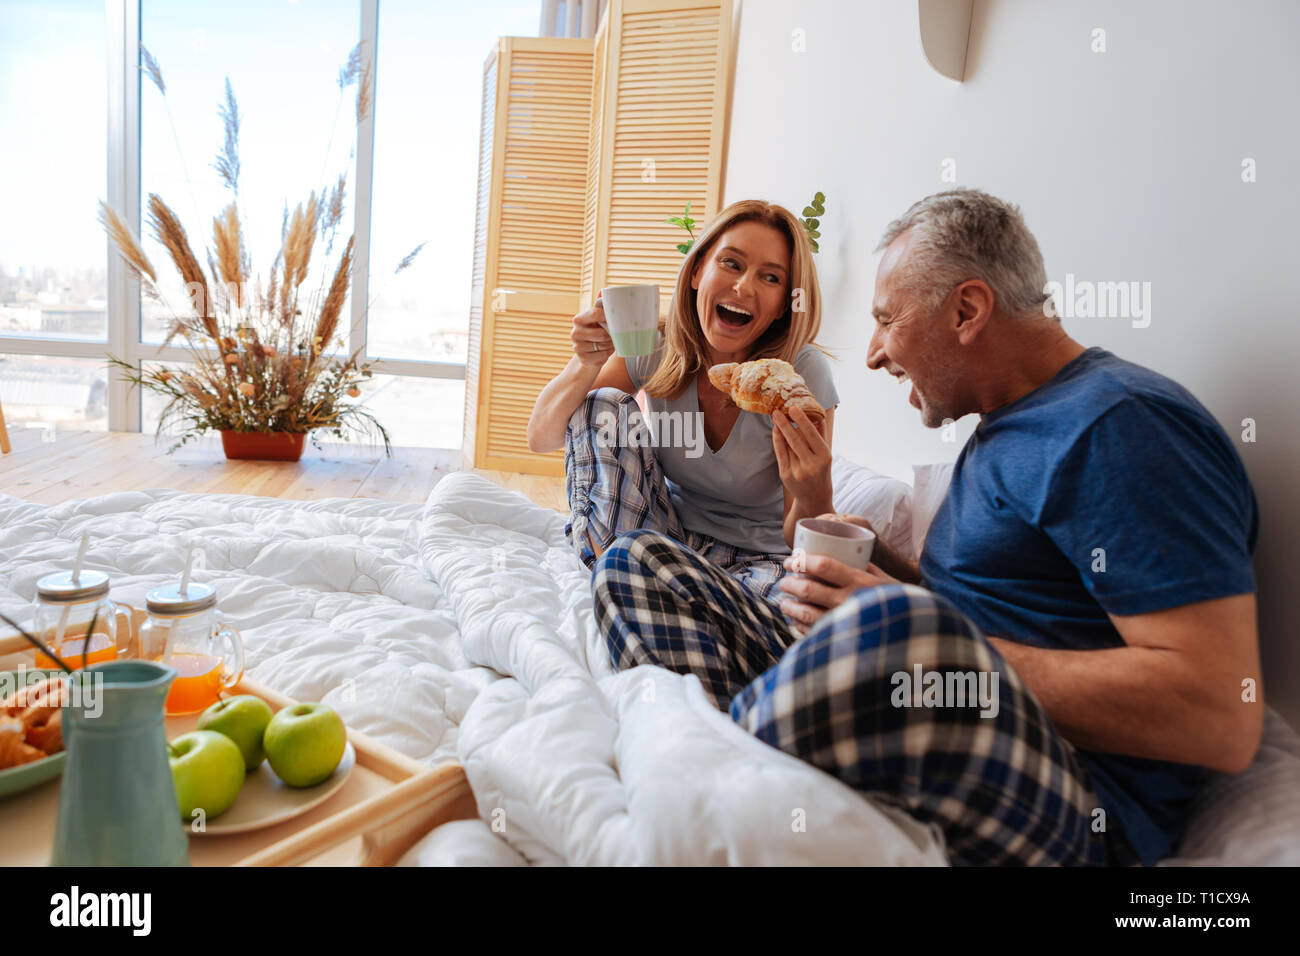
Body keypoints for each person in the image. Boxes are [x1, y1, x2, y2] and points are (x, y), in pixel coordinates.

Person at [591, 188, 1263, 866]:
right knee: (638, 563)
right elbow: (980, 612)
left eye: (886, 320)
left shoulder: (1117, 424)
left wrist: (904, 626)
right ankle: (752, 759)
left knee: (892, 628)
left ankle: (727, 783)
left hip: (1068, 790)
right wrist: (885, 568)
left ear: (967, 311)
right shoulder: (1003, 428)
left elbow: (1219, 714)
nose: (874, 354)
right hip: (921, 702)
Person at [527, 200, 840, 603]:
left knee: (791, 614)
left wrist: (815, 494)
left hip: (759, 558)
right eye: (731, 263)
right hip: (664, 536)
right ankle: (632, 581)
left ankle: (647, 594)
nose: (744, 287)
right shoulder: (654, 345)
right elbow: (542, 438)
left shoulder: (798, 374)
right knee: (601, 404)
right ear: (697, 272)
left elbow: (802, 537)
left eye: (770, 277)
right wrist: (585, 363)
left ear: (784, 303)